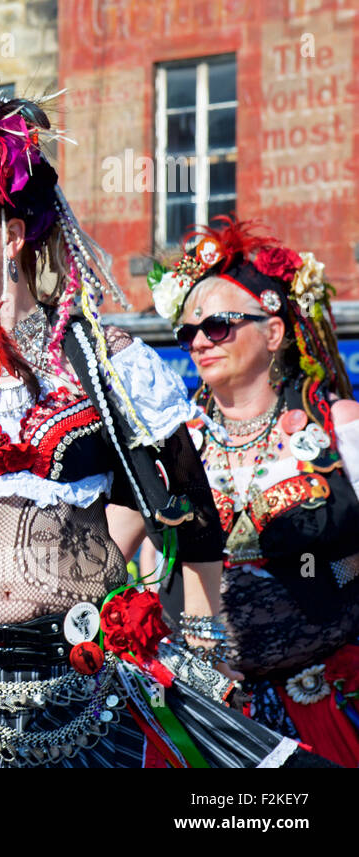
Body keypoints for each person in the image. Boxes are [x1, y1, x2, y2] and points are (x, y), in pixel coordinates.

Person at [0, 94, 308, 767]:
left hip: (84, 702)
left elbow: (189, 514)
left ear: (10, 233)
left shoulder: (112, 364)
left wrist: (206, 650)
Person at [135, 220, 359, 766]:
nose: (198, 342)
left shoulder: (339, 426)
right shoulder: (173, 445)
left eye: (218, 325)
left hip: (325, 706)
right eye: (188, 331)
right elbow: (139, 570)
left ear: (274, 332)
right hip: (212, 720)